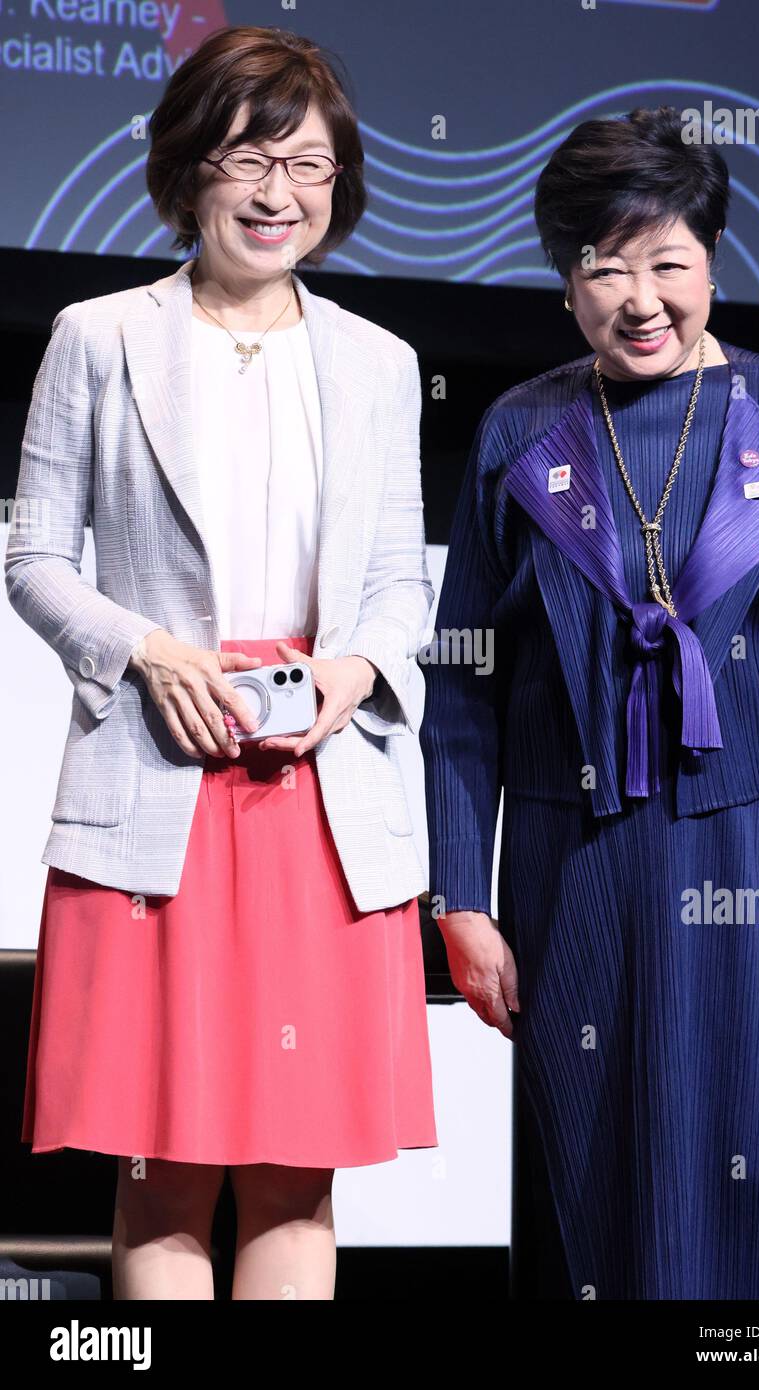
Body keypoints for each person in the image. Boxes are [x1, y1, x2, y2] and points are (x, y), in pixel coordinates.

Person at [420, 105, 759, 1300]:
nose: (640, 297)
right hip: (576, 874)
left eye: (667, 262)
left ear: (711, 260)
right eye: (602, 266)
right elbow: (465, 681)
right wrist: (460, 895)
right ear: (563, 281)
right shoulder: (518, 432)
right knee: (590, 1193)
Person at [6, 25, 437, 1301]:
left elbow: (393, 591)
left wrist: (354, 677)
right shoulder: (97, 335)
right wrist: (145, 653)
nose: (276, 192)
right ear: (189, 168)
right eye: (248, 157)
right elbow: (34, 559)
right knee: (163, 1159)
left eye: (307, 165)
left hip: (317, 791)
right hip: (159, 773)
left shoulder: (377, 361)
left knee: (301, 1167)